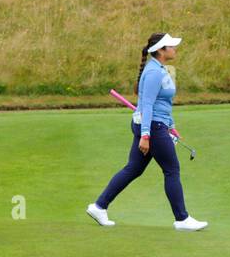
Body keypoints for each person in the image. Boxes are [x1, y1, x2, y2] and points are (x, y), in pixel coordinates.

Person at [88, 33, 208, 232]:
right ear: (161, 50)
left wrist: (170, 124)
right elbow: (148, 105)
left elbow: (163, 104)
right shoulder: (153, 72)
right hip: (152, 126)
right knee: (172, 170)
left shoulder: (159, 69)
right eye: (171, 46)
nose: (174, 49)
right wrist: (146, 135)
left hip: (157, 124)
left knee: (133, 168)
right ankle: (182, 219)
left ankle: (99, 206)